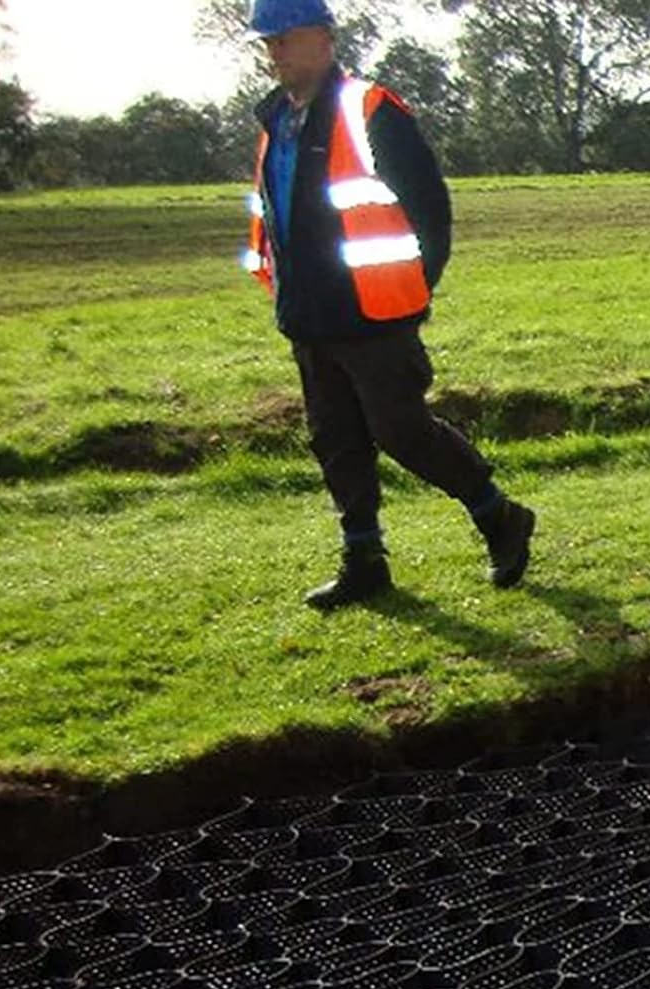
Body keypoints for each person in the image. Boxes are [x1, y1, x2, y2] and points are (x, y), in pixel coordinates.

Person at [243, 0, 534, 610]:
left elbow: (430, 209)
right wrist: (284, 295)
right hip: (308, 315)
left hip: (375, 313)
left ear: (323, 39)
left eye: (285, 39)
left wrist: (414, 290)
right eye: (267, 42)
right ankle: (364, 560)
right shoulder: (275, 121)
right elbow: (273, 218)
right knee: (335, 440)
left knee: (402, 431)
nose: (274, 52)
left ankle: (498, 516)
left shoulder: (370, 109)